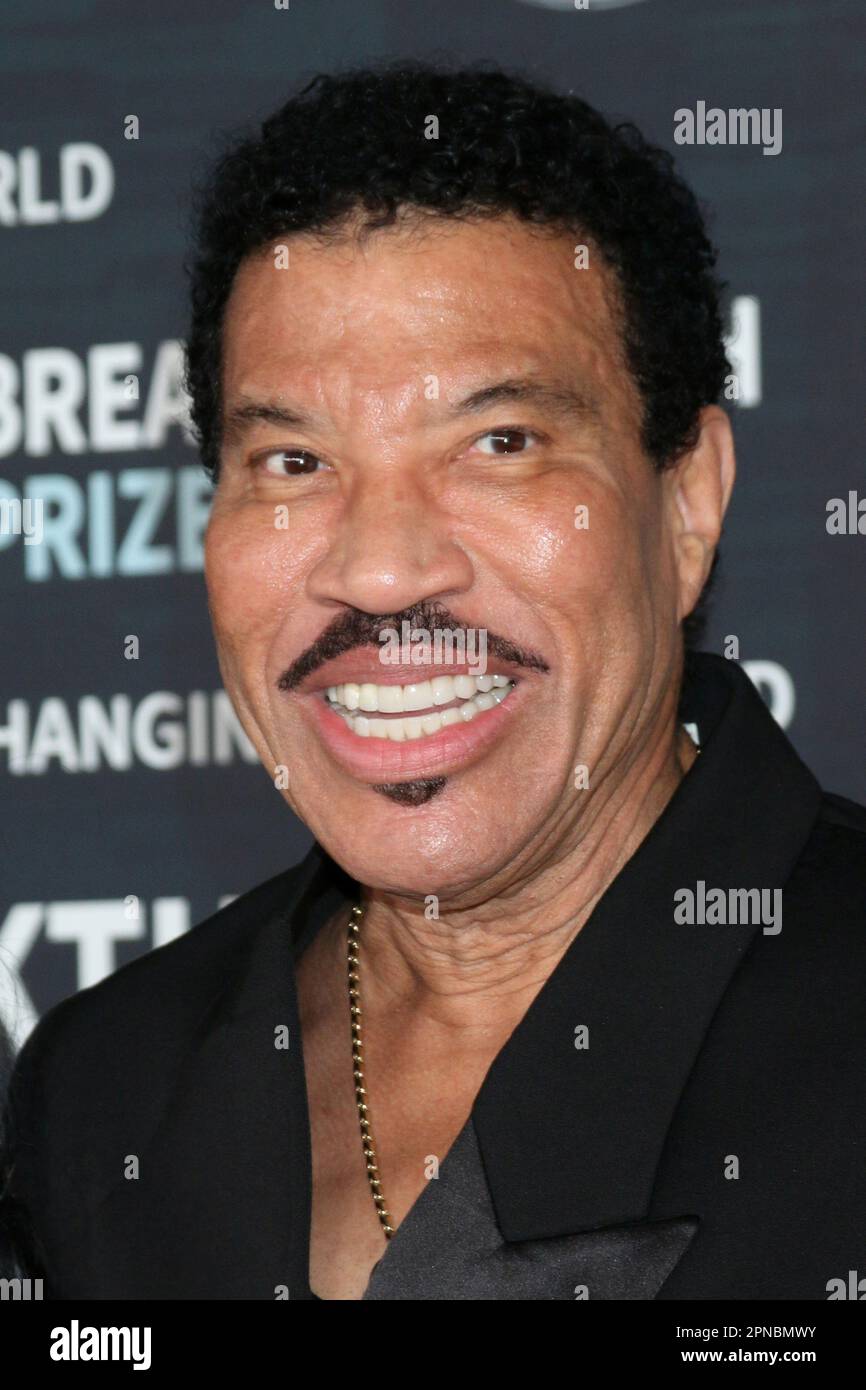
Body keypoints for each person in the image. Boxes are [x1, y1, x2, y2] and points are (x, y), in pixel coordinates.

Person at [3, 60, 865, 1301]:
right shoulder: (106, 1090)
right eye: (293, 459)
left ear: (686, 503)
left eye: (497, 443)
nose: (381, 568)